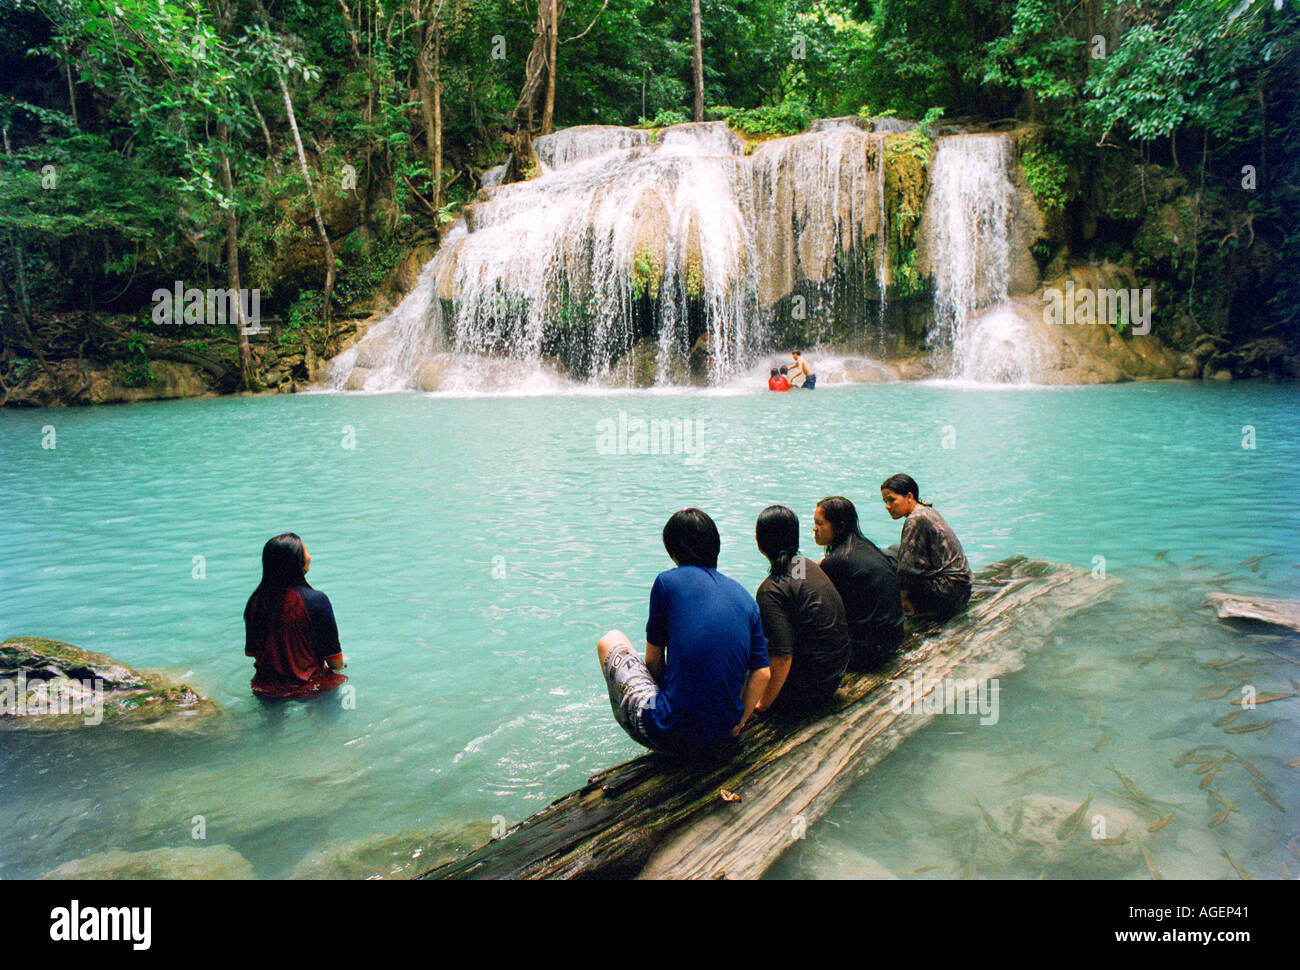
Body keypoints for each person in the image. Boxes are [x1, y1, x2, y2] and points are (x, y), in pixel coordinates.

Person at [597, 509, 770, 755]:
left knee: (610, 640)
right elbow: (762, 673)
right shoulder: (744, 598)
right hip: (722, 733)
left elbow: (654, 660)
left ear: (673, 551)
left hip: (671, 732)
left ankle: (666, 728)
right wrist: (737, 723)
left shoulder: (667, 582)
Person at [753, 505, 850, 716]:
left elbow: (783, 655)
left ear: (760, 542)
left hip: (809, 691)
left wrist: (763, 703)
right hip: (835, 674)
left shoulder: (770, 591)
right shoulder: (805, 565)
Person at [244, 533, 347, 699]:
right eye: (306, 551)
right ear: (298, 562)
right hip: (310, 687)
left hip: (266, 689)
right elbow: (335, 660)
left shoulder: (255, 602)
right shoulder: (317, 600)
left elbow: (252, 652)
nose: (310, 556)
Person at [813, 496, 904, 670]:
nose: (814, 528)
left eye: (820, 524)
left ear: (839, 526)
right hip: (893, 637)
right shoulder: (864, 545)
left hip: (869, 652)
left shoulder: (837, 561)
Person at [881, 474, 973, 623]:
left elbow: (907, 569)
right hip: (961, 588)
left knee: (886, 559)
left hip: (947, 593)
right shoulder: (926, 511)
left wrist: (902, 600)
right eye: (885, 501)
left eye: (892, 500)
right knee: (895, 549)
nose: (887, 506)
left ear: (909, 497)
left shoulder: (915, 519)